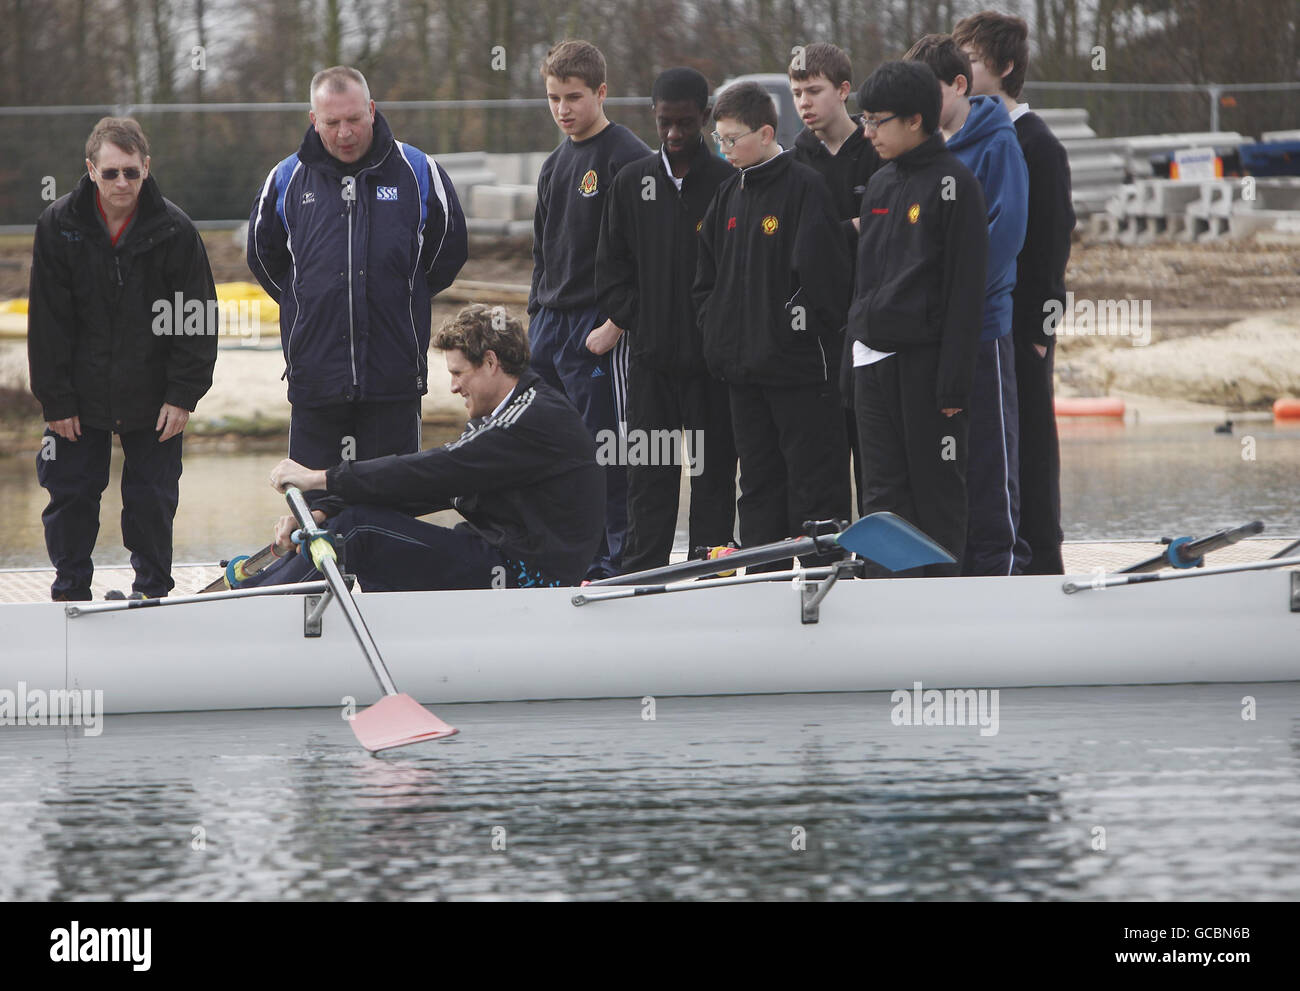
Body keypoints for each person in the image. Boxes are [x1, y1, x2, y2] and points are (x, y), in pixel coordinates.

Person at [248, 305, 604, 591]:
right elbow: (429, 487)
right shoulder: (508, 410)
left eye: (458, 373)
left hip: (533, 577)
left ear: (491, 363)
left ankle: (256, 611)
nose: (452, 387)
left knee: (358, 531)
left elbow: (434, 469)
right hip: (503, 554)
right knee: (349, 521)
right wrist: (326, 510)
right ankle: (264, 591)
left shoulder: (529, 419)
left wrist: (320, 478)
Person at [27, 117, 218, 601]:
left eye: (131, 172)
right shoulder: (58, 225)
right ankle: (70, 590)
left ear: (147, 168)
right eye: (110, 173)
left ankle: (151, 591)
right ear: (91, 169)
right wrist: (56, 399)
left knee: (152, 497)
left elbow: (194, 317)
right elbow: (47, 322)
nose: (122, 183)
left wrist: (183, 395)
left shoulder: (175, 229)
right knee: (70, 492)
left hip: (154, 392)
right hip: (78, 391)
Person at [247, 65, 467, 478]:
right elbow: (265, 259)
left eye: (354, 119)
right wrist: (308, 302)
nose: (345, 133)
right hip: (316, 377)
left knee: (390, 511)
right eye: (332, 123)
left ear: (371, 109)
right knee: (316, 511)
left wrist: (402, 292)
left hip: (394, 376)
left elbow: (446, 253)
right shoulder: (285, 179)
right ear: (314, 120)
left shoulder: (418, 171)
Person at [693, 81, 852, 572]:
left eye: (731, 139)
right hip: (742, 374)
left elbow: (825, 282)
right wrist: (718, 335)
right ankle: (763, 580)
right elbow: (705, 283)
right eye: (717, 140)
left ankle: (826, 577)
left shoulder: (806, 188)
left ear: (765, 133)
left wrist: (790, 333)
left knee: (813, 483)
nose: (724, 149)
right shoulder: (725, 196)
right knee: (757, 484)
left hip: (800, 372)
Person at [848, 61, 988, 577]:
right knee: (881, 493)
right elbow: (864, 280)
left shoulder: (955, 184)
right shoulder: (881, 183)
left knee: (936, 489)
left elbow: (965, 289)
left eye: (876, 121)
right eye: (863, 119)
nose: (867, 132)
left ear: (913, 120)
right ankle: (887, 596)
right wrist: (852, 356)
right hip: (871, 360)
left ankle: (940, 602)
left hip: (926, 367)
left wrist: (954, 381)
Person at [596, 67, 737, 572]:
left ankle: (712, 573)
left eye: (684, 123)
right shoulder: (632, 183)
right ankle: (642, 576)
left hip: (711, 369)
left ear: (704, 116)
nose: (674, 134)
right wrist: (646, 318)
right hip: (651, 365)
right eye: (664, 123)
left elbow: (739, 276)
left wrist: (714, 330)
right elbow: (610, 272)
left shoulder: (728, 184)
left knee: (714, 477)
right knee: (648, 477)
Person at [954, 10, 1076, 575]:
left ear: (1003, 68)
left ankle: (1042, 558)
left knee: (1030, 440)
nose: (962, 69)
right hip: (984, 326)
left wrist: (1039, 331)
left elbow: (1052, 247)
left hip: (1020, 325)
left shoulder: (1036, 142)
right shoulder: (964, 138)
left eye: (972, 60)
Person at [904, 35, 1029, 576]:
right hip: (932, 336)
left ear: (958, 86)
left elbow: (1004, 239)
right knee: (943, 466)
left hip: (981, 329)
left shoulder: (999, 144)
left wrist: (956, 304)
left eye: (927, 92)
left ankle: (1000, 570)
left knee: (989, 460)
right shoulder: (921, 152)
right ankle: (950, 576)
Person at [529, 40, 652, 579]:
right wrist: (535, 320)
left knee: (607, 448)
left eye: (573, 97)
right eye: (554, 98)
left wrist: (616, 323)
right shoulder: (555, 164)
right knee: (556, 452)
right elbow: (541, 252)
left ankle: (616, 559)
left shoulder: (628, 156)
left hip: (597, 327)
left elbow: (652, 256)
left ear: (601, 92)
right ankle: (570, 552)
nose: (562, 110)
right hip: (549, 329)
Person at [788, 42, 883, 514]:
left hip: (871, 324)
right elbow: (791, 243)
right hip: (815, 335)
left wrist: (827, 233)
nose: (804, 102)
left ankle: (878, 568)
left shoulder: (875, 150)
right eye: (796, 92)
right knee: (820, 470)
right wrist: (851, 228)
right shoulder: (793, 160)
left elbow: (887, 226)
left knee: (874, 463)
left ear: (844, 91)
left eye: (814, 90)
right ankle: (826, 563)